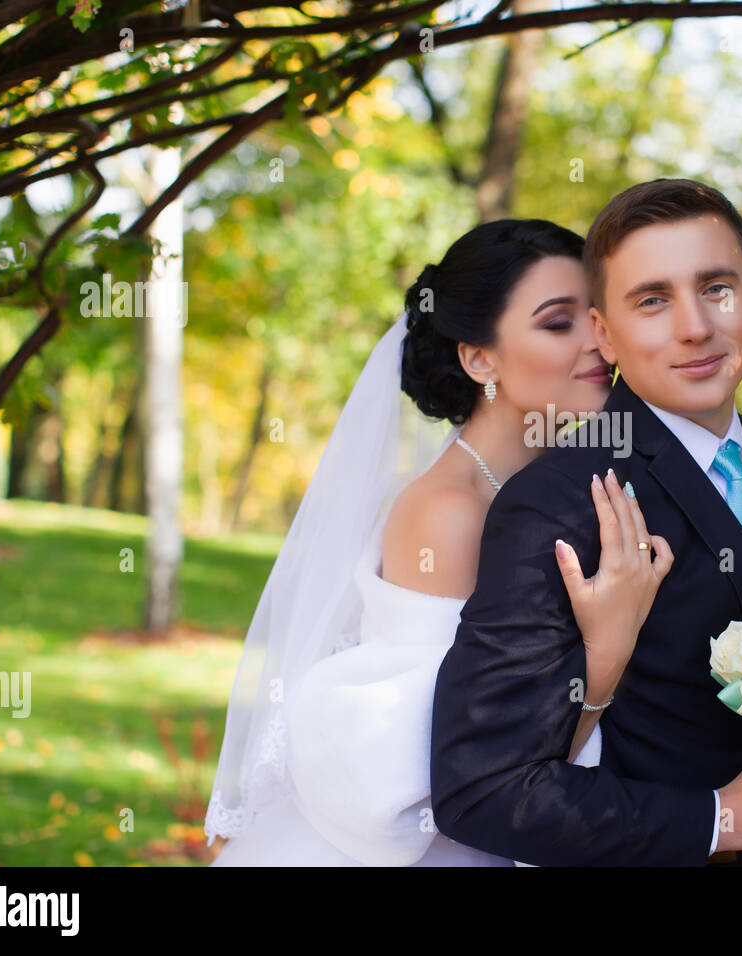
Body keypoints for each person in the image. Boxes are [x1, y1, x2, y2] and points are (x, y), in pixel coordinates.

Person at [204, 218, 672, 865]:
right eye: (558, 323)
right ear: (480, 357)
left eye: (599, 319)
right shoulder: (450, 515)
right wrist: (607, 650)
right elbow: (462, 770)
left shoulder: (572, 490)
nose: (598, 346)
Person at [430, 179, 742, 867]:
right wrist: (723, 821)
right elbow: (483, 789)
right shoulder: (561, 503)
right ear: (604, 333)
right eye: (653, 300)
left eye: (717, 288)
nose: (695, 327)